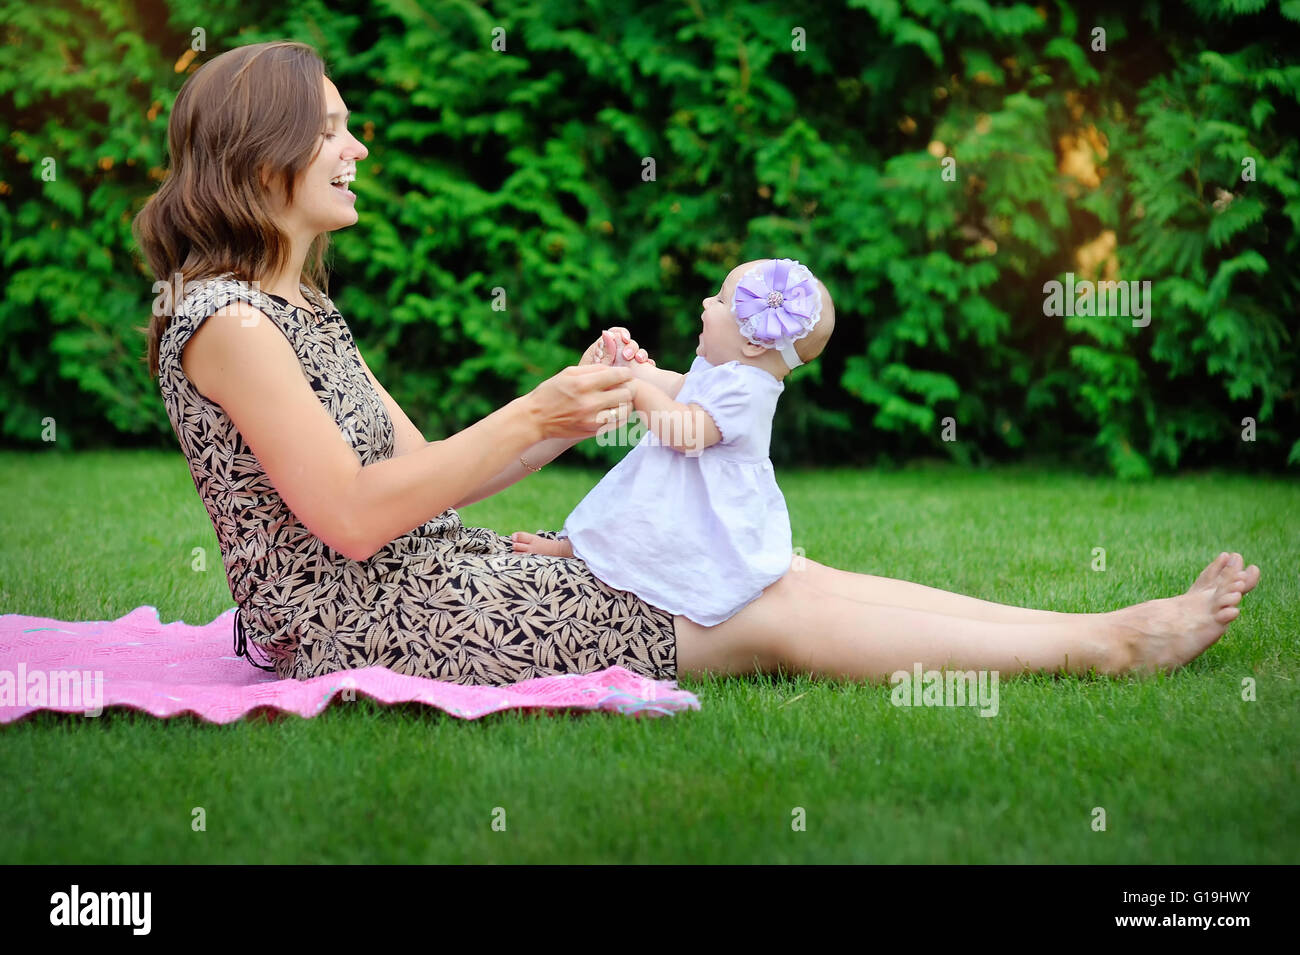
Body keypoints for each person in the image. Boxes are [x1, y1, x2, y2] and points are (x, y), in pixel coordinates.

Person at [134, 41, 1260, 688]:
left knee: (782, 575)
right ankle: (1106, 647)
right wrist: (538, 411)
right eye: (331, 129)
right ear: (262, 151)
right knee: (758, 609)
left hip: (426, 575)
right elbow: (350, 516)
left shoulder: (297, 304)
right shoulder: (227, 319)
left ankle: (1101, 633)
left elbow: (423, 474)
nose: (356, 146)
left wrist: (572, 412)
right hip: (357, 621)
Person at [511, 257, 834, 630]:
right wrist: (631, 369)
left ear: (752, 343)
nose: (705, 303)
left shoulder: (748, 390)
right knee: (628, 512)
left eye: (720, 300)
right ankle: (578, 549)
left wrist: (636, 392)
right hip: (673, 490)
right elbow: (681, 388)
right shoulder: (727, 373)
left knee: (657, 536)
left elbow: (688, 433)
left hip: (700, 506)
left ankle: (600, 564)